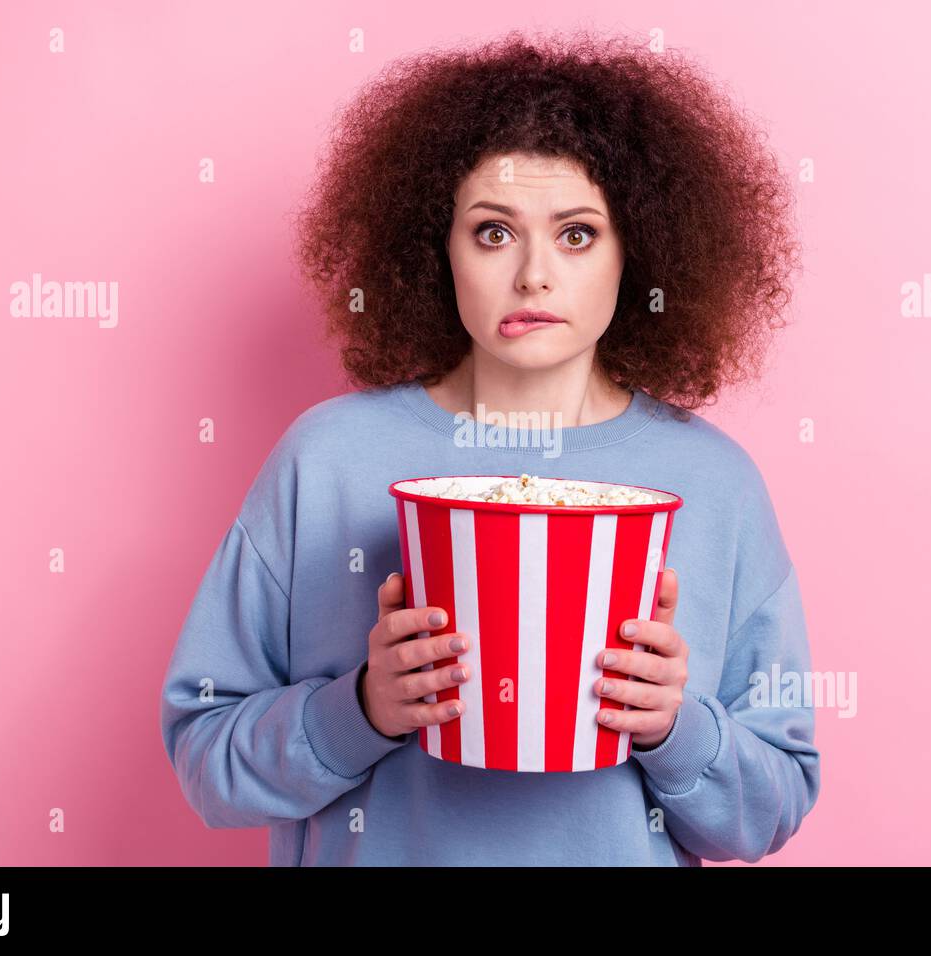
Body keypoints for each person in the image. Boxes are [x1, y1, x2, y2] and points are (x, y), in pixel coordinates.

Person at [159, 29, 818, 866]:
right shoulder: (324, 460)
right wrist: (359, 710)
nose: (535, 274)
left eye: (577, 234)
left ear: (636, 252)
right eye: (493, 232)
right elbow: (205, 760)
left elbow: (770, 810)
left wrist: (675, 729)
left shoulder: (714, 486)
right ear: (437, 251)